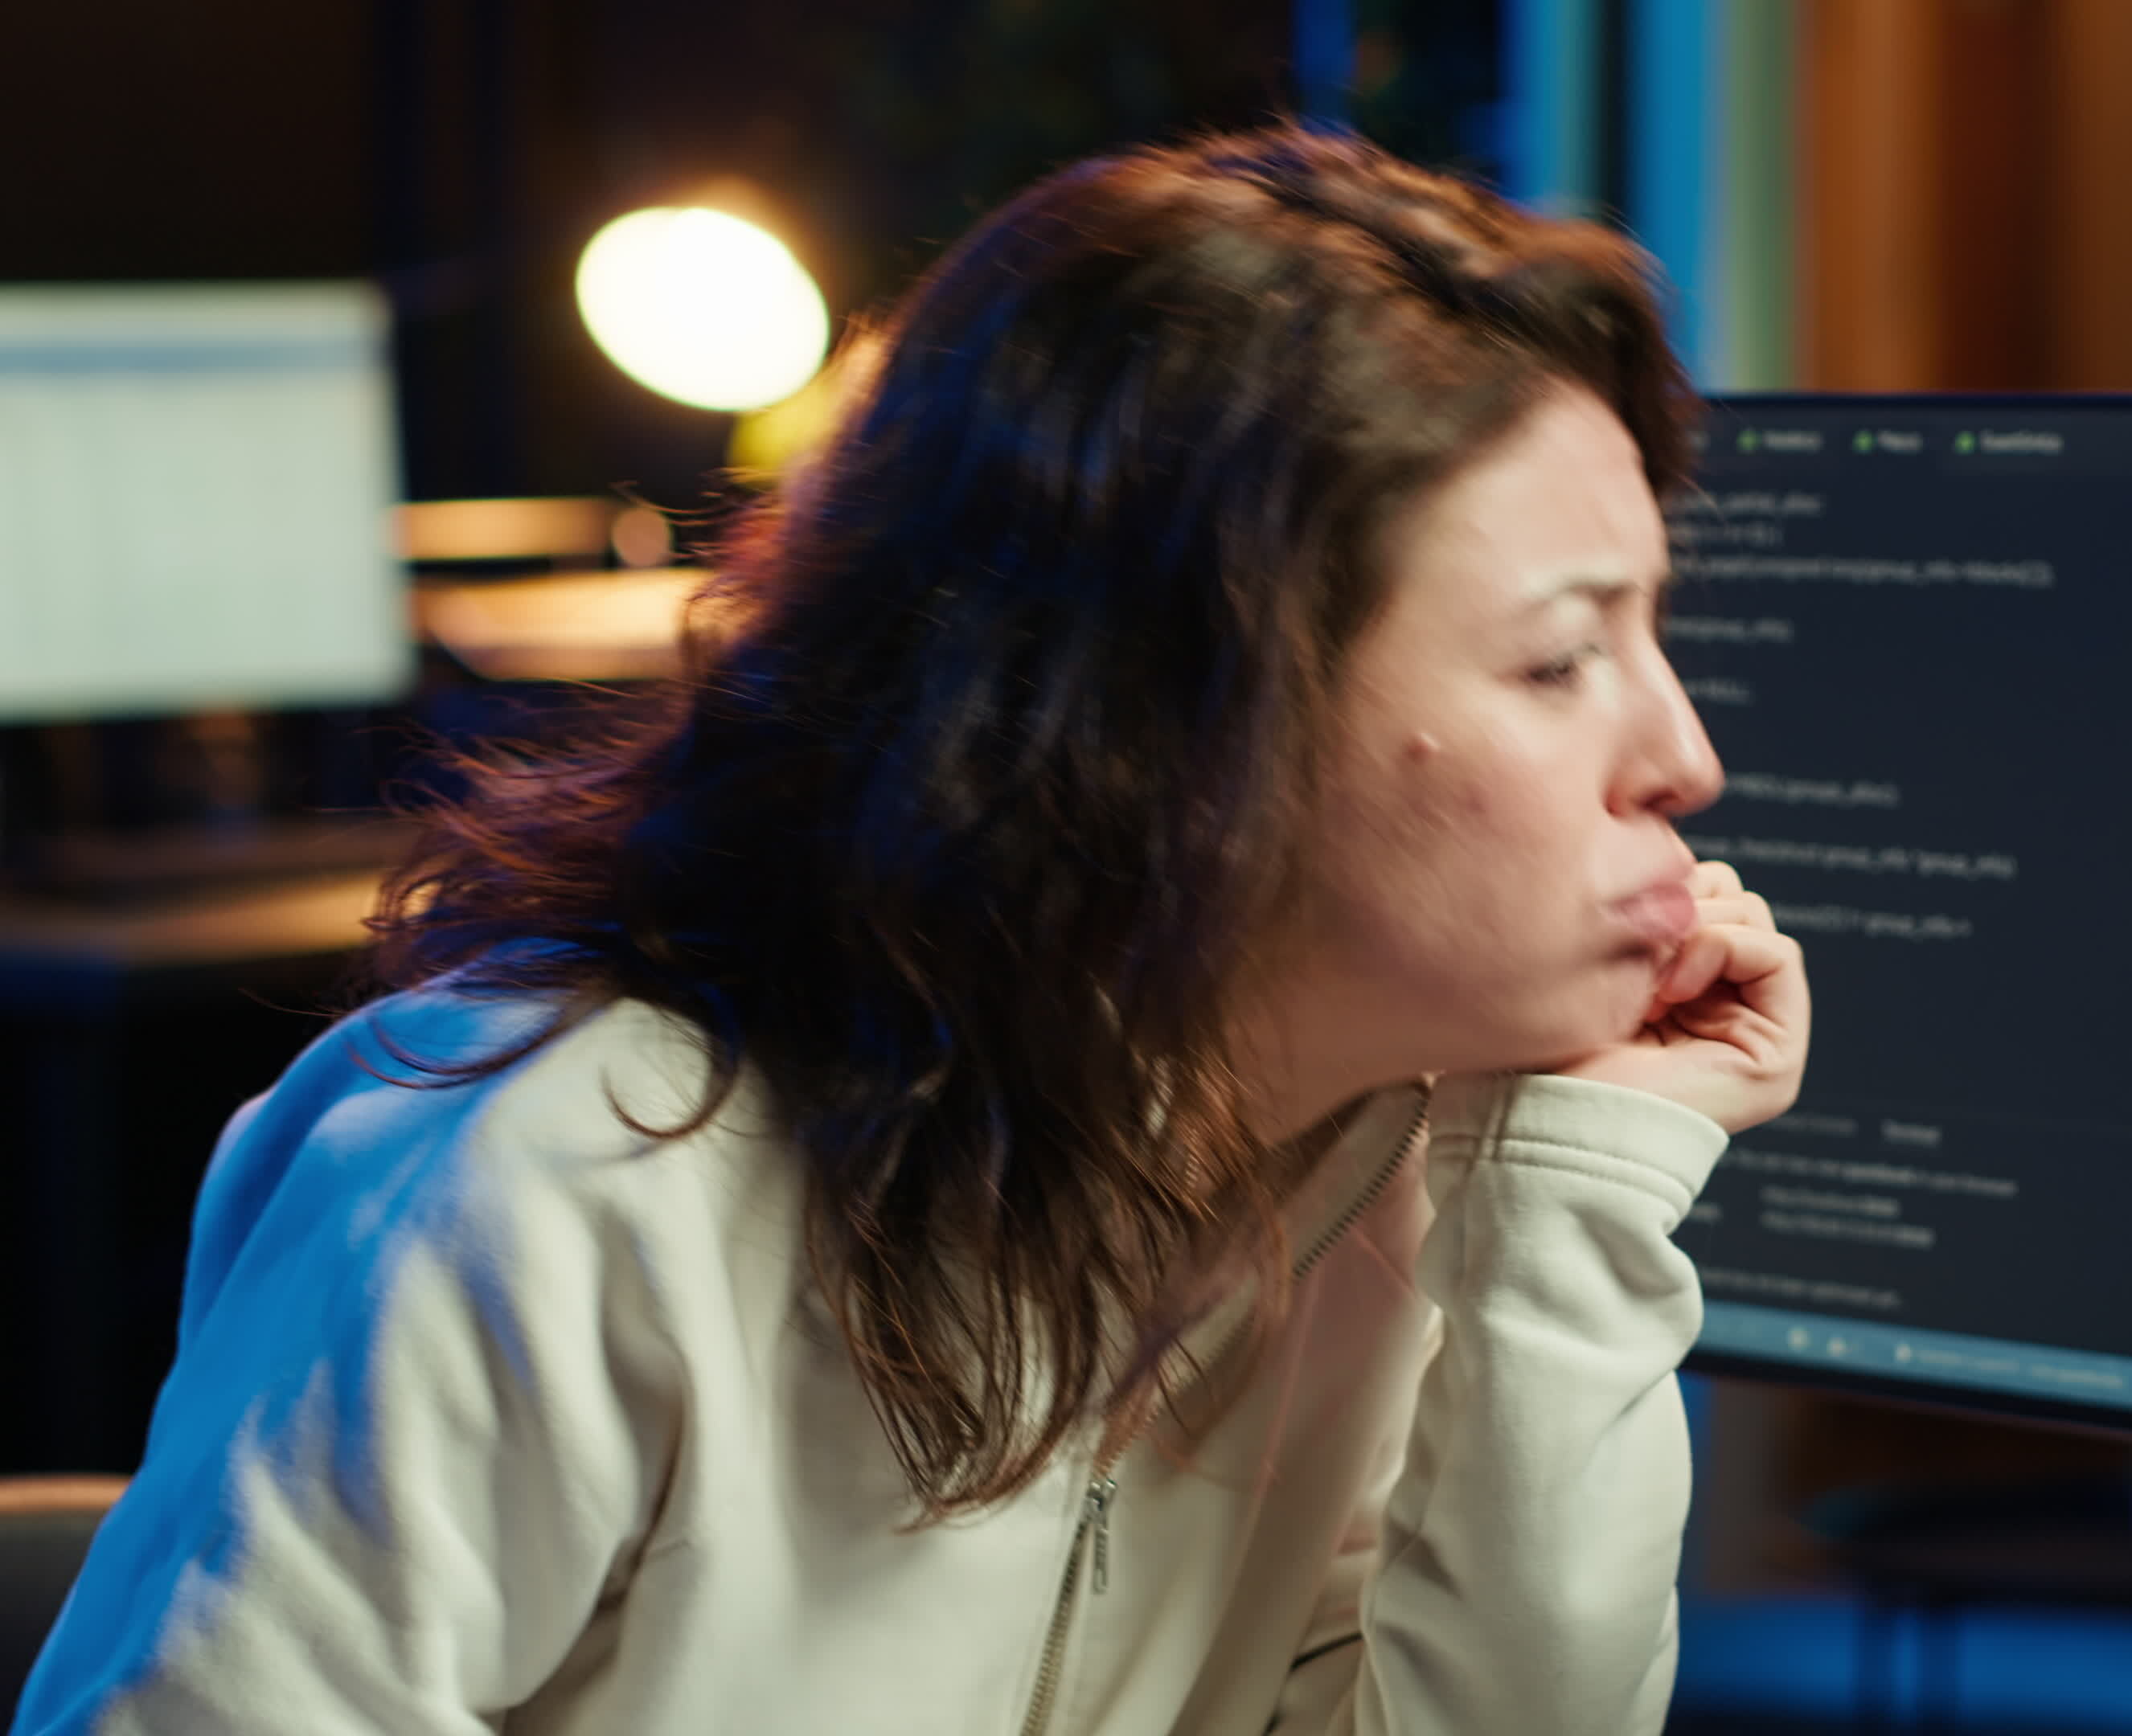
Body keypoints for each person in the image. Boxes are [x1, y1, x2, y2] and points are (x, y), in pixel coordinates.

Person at [13, 126, 1807, 1734]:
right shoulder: (560, 1180)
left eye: (1654, 637)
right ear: (1182, 724)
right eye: (1565, 659)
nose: (1685, 757)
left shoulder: (1382, 1177)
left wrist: (1575, 1201)